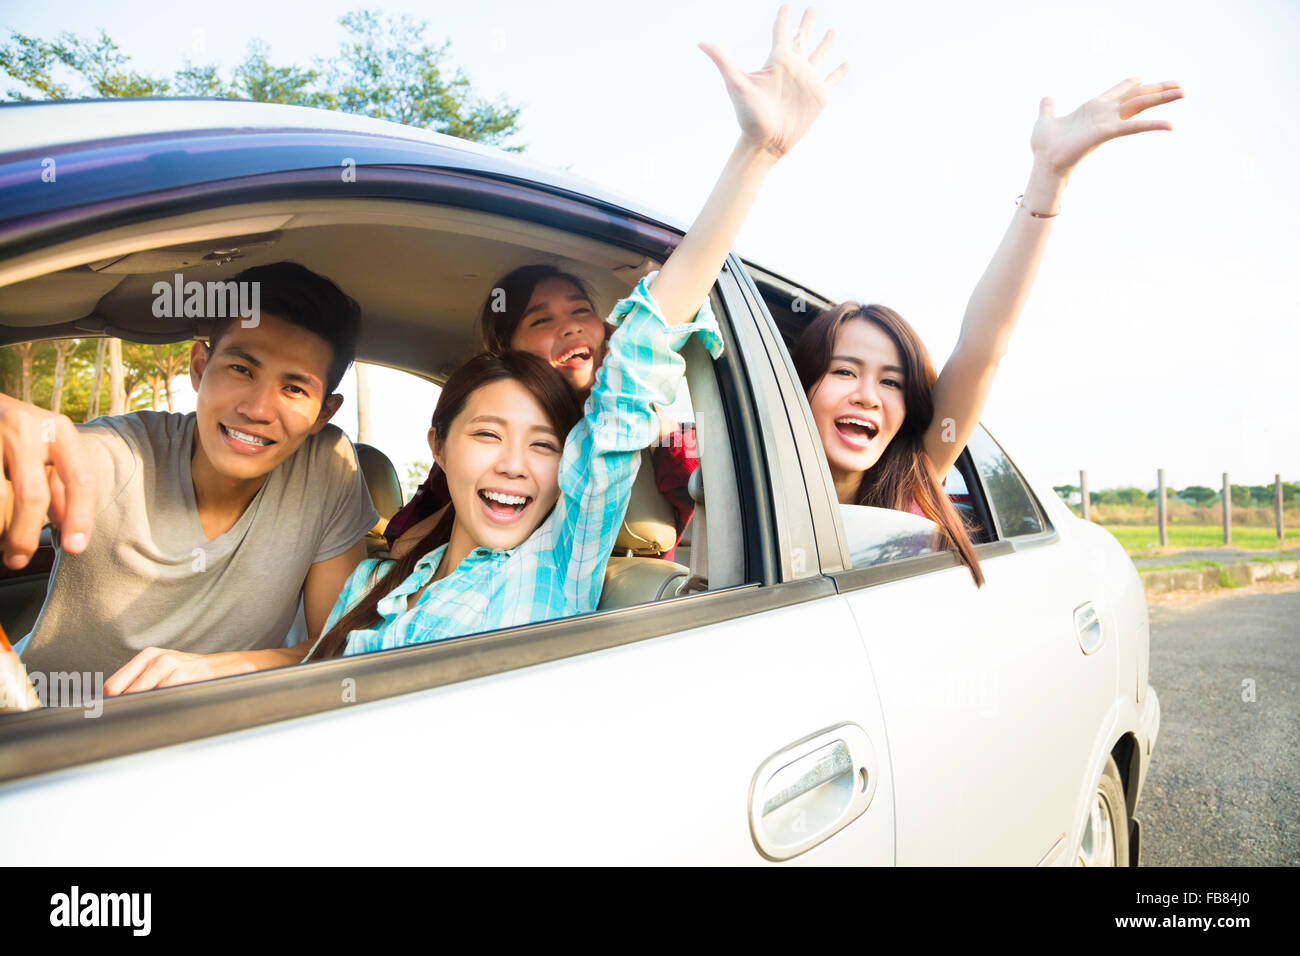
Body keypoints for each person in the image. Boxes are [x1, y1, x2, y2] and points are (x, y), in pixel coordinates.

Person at [307, 5, 848, 658]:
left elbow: (642, 354)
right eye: (486, 434)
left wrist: (758, 152)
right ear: (439, 447)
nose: (512, 464)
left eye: (543, 445)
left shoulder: (559, 556)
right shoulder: (370, 581)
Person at [792, 77, 1184, 586]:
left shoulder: (918, 473)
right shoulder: (753, 492)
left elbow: (982, 348)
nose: (869, 397)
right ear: (799, 386)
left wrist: (1049, 176)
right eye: (845, 371)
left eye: (891, 382)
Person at [2, 261, 378, 694]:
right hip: (40, 729)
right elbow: (33, 472)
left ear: (323, 413)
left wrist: (227, 667)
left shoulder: (325, 467)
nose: (257, 410)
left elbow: (336, 644)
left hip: (203, 740)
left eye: (294, 388)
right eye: (241, 369)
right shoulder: (124, 453)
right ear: (200, 367)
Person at [386, 264, 699, 562]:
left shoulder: (647, 428)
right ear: (507, 352)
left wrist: (650, 416)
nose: (571, 326)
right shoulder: (482, 452)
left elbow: (712, 487)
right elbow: (404, 546)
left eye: (581, 311)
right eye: (541, 321)